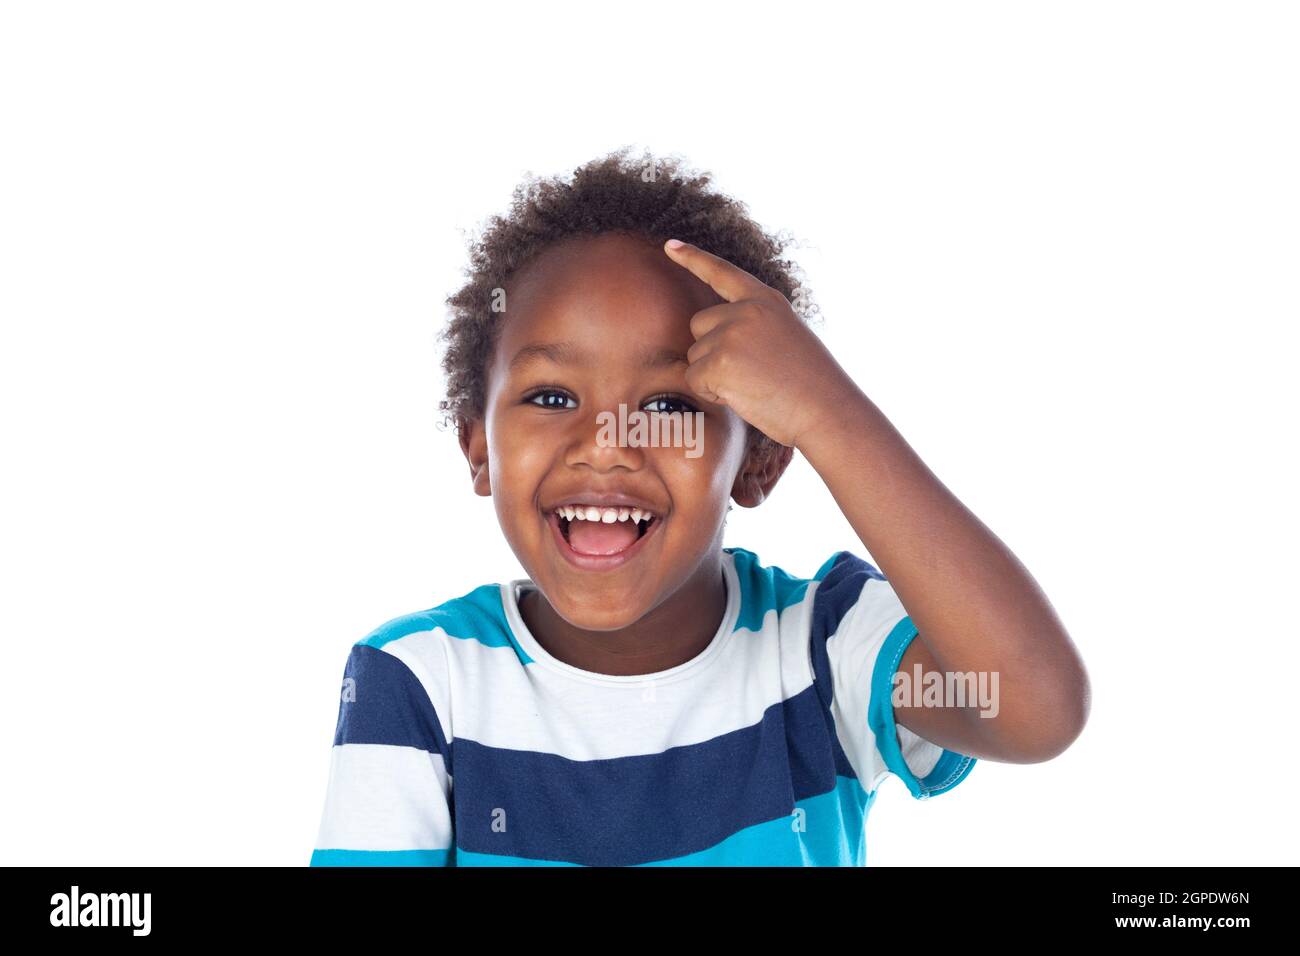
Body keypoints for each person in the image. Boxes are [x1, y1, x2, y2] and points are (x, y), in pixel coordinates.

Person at [309, 148, 1090, 866]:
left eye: (666, 405)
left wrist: (827, 413)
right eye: (552, 396)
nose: (606, 444)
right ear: (479, 449)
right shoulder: (417, 682)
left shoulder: (823, 652)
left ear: (759, 460)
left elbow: (1034, 707)